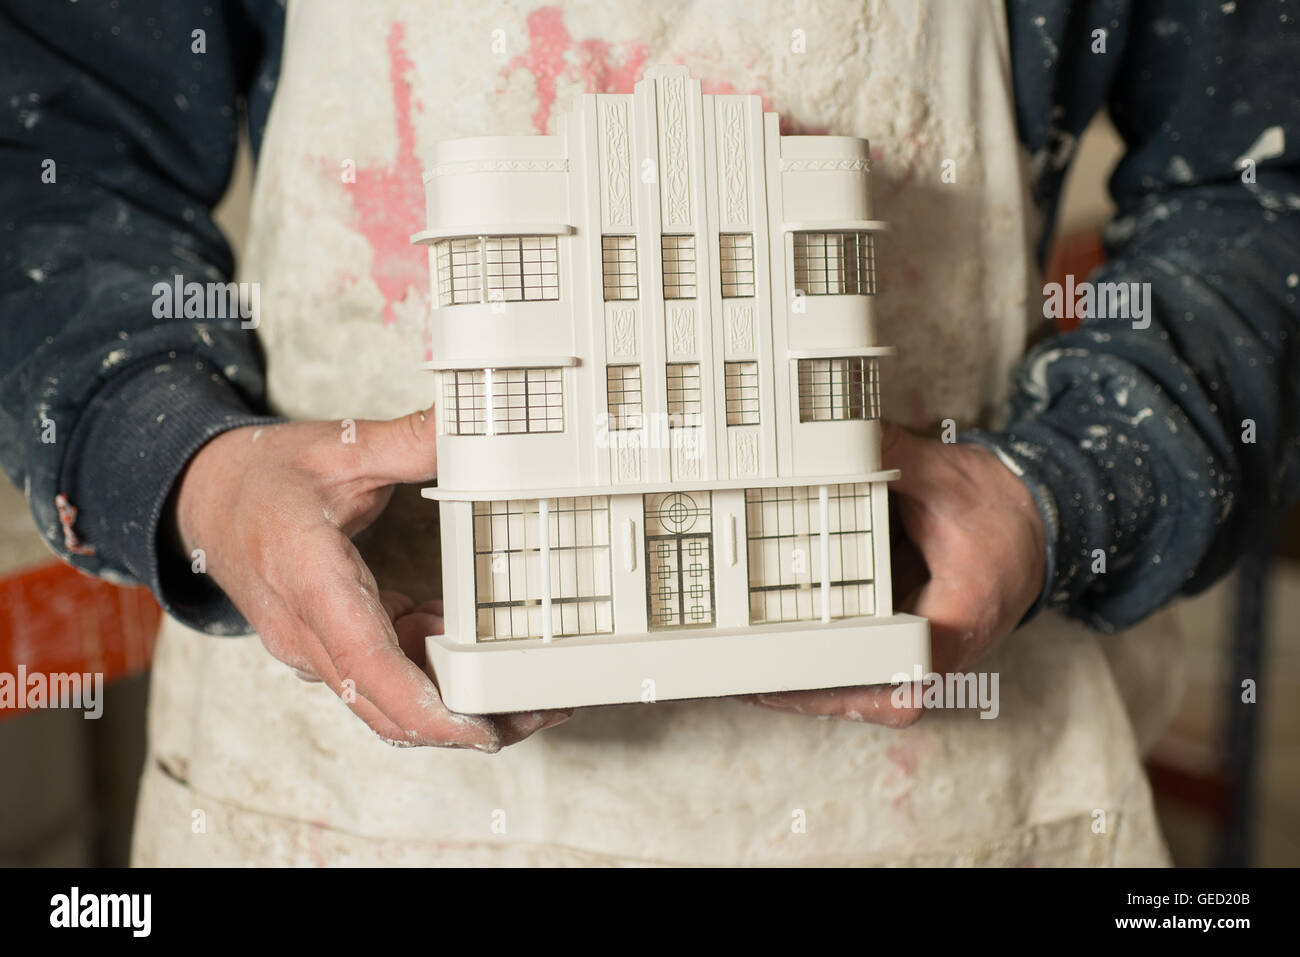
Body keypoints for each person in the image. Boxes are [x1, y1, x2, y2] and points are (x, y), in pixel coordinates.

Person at [1, 0, 1296, 865]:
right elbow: (52, 161)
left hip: (946, 784)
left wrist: (1068, 491)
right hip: (342, 801)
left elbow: (1258, 180)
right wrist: (194, 474)